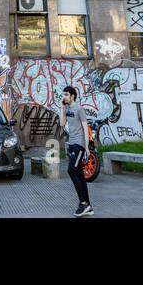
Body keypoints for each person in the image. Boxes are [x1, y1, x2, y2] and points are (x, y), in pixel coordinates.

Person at [60, 85, 93, 217]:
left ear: (72, 96)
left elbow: (85, 128)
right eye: (63, 95)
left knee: (71, 170)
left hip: (79, 144)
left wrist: (86, 148)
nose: (64, 97)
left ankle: (83, 203)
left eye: (66, 95)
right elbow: (62, 124)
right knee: (79, 174)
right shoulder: (66, 108)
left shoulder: (79, 109)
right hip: (71, 144)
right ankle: (89, 206)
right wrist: (62, 110)